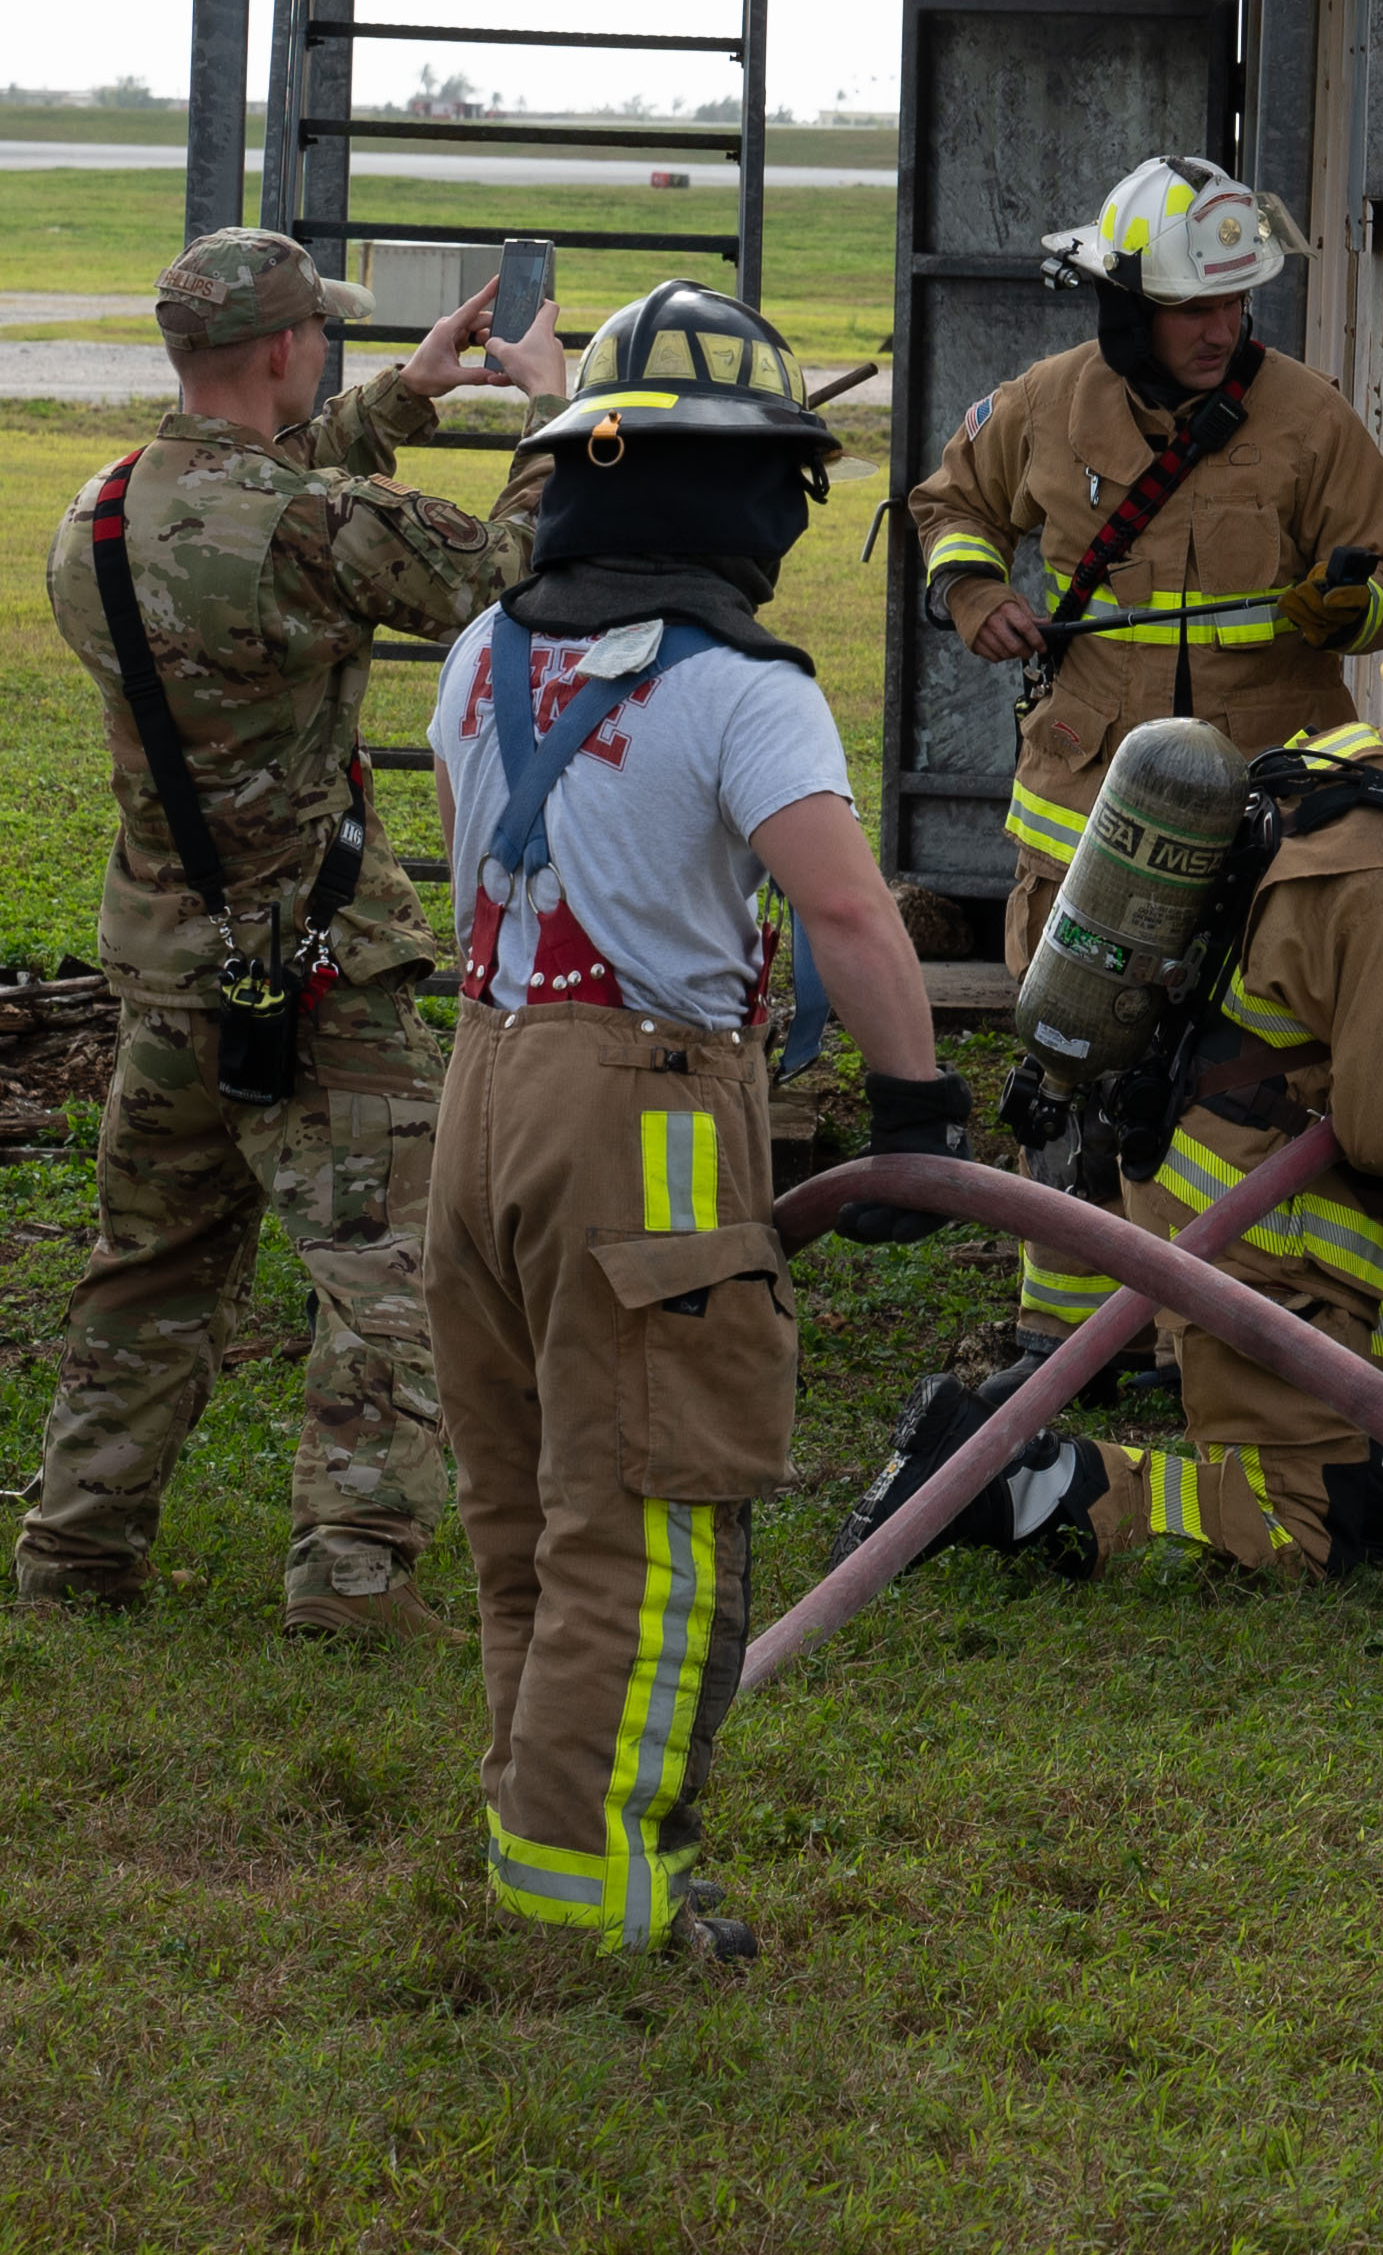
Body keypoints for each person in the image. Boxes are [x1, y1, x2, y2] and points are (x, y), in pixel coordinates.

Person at [425, 283, 963, 1961]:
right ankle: (607, 1913)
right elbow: (854, 918)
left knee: (527, 1509)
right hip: (639, 1109)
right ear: (746, 496)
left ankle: (535, 1851)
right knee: (647, 1519)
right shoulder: (744, 686)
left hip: (481, 1089)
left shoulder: (482, 650)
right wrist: (920, 1109)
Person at [841, 546, 1383, 1583]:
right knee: (1305, 1523)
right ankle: (998, 1476)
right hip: (1264, 1222)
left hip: (1222, 1164)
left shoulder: (1372, 766)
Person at [19, 233, 551, 1635]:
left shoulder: (106, 514)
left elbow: (262, 493)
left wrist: (402, 400)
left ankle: (75, 1551)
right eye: (323, 336)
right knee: (407, 1268)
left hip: (170, 971)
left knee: (150, 1271)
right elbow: (508, 568)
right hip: (318, 978)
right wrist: (560, 420)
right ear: (282, 348)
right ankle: (355, 1568)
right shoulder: (308, 533)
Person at [909, 155, 1383, 1360]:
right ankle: (1062, 1334)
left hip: (1268, 816)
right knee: (1071, 1051)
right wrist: (974, 588)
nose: (1221, 330)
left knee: (1245, 1066)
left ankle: (1224, 1317)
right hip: (1085, 814)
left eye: (1236, 305)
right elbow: (949, 501)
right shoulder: (1046, 401)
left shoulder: (1308, 416)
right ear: (1125, 306)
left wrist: (1335, 611)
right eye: (1194, 306)